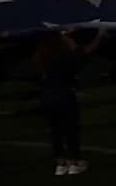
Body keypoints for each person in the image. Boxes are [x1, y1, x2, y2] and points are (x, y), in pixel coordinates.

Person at [35, 29, 102, 176]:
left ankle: (60, 164)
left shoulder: (42, 55)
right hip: (64, 95)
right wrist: (99, 35)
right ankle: (73, 162)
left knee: (55, 132)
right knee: (71, 130)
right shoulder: (66, 56)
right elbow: (83, 52)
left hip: (47, 96)